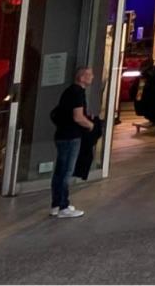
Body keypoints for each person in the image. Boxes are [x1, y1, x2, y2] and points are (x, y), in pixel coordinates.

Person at [49, 66, 96, 218]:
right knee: (66, 172)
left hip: (62, 135)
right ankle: (63, 206)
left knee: (60, 171)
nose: (92, 77)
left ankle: (56, 204)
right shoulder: (77, 93)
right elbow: (78, 117)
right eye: (89, 74)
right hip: (71, 136)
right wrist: (91, 125)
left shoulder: (70, 91)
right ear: (81, 77)